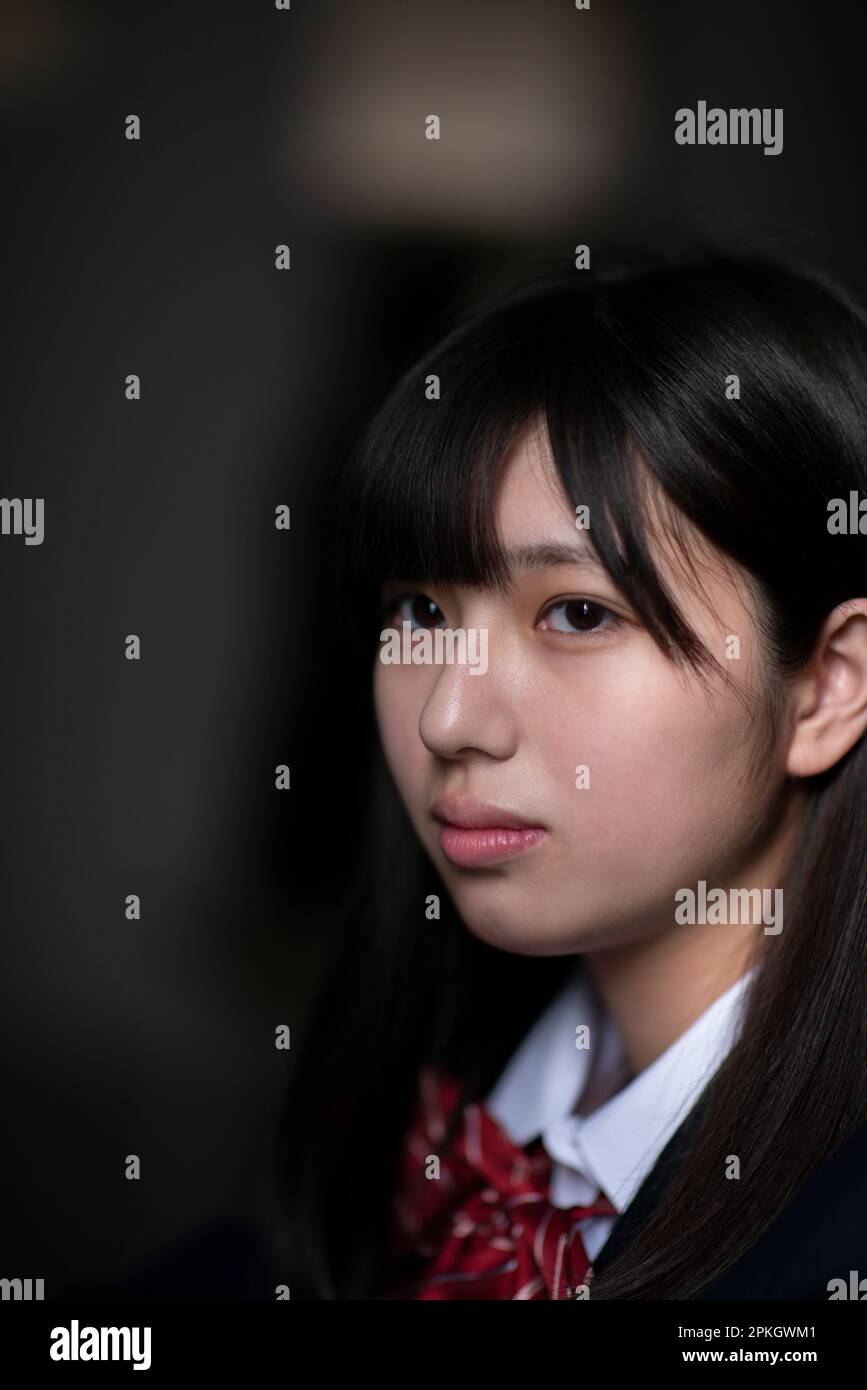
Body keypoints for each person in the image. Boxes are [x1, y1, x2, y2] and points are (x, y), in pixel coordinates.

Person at [276, 251, 867, 1299]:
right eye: (419, 610)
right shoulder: (412, 1124)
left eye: (578, 614)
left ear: (826, 688)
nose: (451, 717)